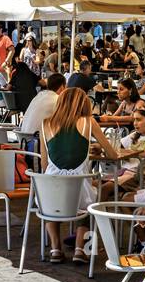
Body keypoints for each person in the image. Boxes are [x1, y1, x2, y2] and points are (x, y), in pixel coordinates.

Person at [40, 86, 119, 264]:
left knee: (51, 206)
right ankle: (79, 249)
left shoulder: (46, 123)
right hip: (80, 189)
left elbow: (44, 164)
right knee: (90, 203)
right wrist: (93, 151)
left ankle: (55, 248)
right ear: (83, 104)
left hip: (50, 188)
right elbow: (113, 155)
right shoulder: (89, 122)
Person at [101, 103, 145, 199]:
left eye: (139, 120)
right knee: (94, 183)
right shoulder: (134, 135)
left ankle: (96, 213)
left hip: (138, 176)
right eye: (134, 120)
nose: (135, 123)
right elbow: (117, 145)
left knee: (105, 188)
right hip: (123, 171)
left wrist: (129, 152)